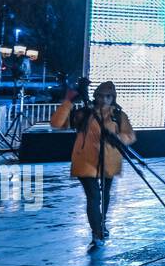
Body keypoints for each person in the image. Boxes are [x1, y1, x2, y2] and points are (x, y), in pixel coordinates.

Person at [51, 80, 137, 252]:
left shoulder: (118, 115)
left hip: (109, 161)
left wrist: (117, 138)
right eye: (100, 95)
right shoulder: (84, 113)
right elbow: (56, 124)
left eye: (108, 96)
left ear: (113, 98)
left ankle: (101, 224)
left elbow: (130, 135)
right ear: (95, 95)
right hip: (85, 161)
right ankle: (97, 233)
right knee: (93, 197)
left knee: (104, 195)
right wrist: (68, 102)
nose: (104, 99)